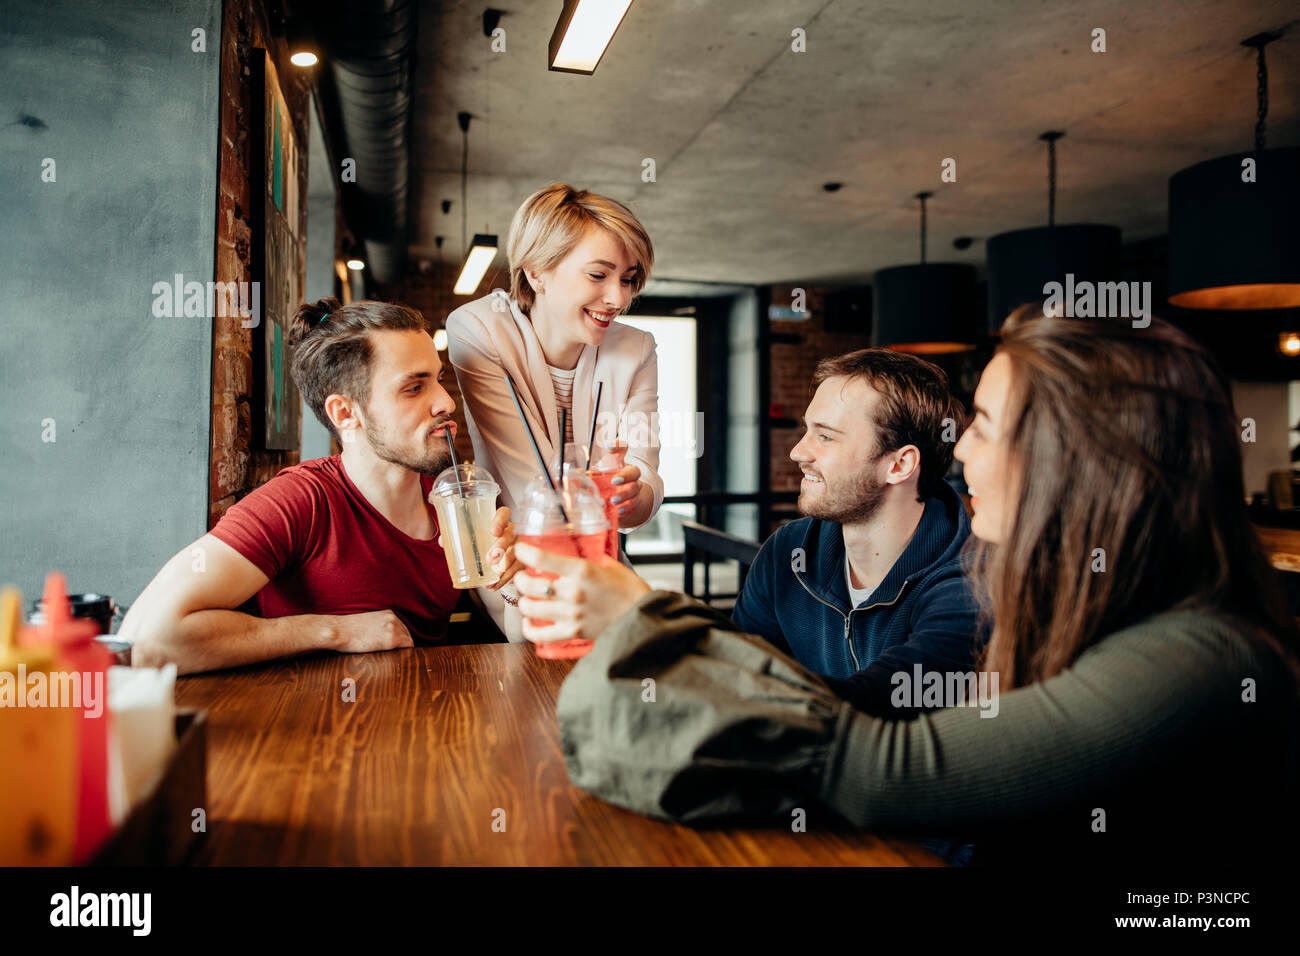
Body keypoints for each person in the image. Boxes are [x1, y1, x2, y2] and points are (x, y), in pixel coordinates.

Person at [519, 308, 1300, 864]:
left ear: (1077, 454)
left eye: (988, 428)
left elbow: (882, 765)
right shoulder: (1082, 602)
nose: (962, 460)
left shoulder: (1198, 658)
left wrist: (647, 616)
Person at [123, 298, 522, 676]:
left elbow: (516, 629)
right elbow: (144, 640)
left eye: (438, 380)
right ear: (345, 412)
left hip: (423, 730)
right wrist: (335, 632)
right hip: (309, 737)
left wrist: (518, 585)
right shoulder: (300, 501)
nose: (446, 402)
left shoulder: (450, 502)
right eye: (414, 388)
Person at [730, 349, 981, 717]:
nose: (799, 452)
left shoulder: (972, 581)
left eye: (826, 437)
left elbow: (877, 705)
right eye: (807, 430)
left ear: (899, 464)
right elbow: (737, 673)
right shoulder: (788, 551)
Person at [445, 183, 663, 546]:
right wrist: (598, 495)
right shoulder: (480, 329)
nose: (618, 298)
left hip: (598, 556)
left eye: (628, 279)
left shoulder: (637, 348)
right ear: (536, 272)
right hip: (517, 559)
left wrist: (634, 494)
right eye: (598, 275)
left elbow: (644, 476)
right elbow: (530, 486)